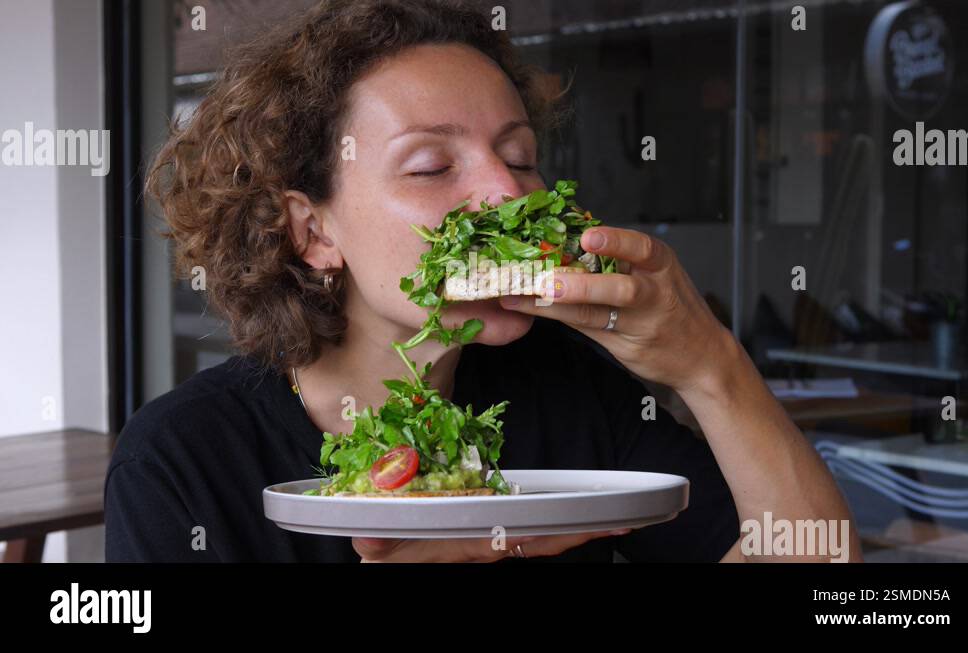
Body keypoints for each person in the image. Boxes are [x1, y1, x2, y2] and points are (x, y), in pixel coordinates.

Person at [105, 0, 861, 563]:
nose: (509, 193)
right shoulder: (181, 460)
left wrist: (711, 365)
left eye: (522, 156)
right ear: (312, 230)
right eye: (432, 166)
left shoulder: (572, 390)